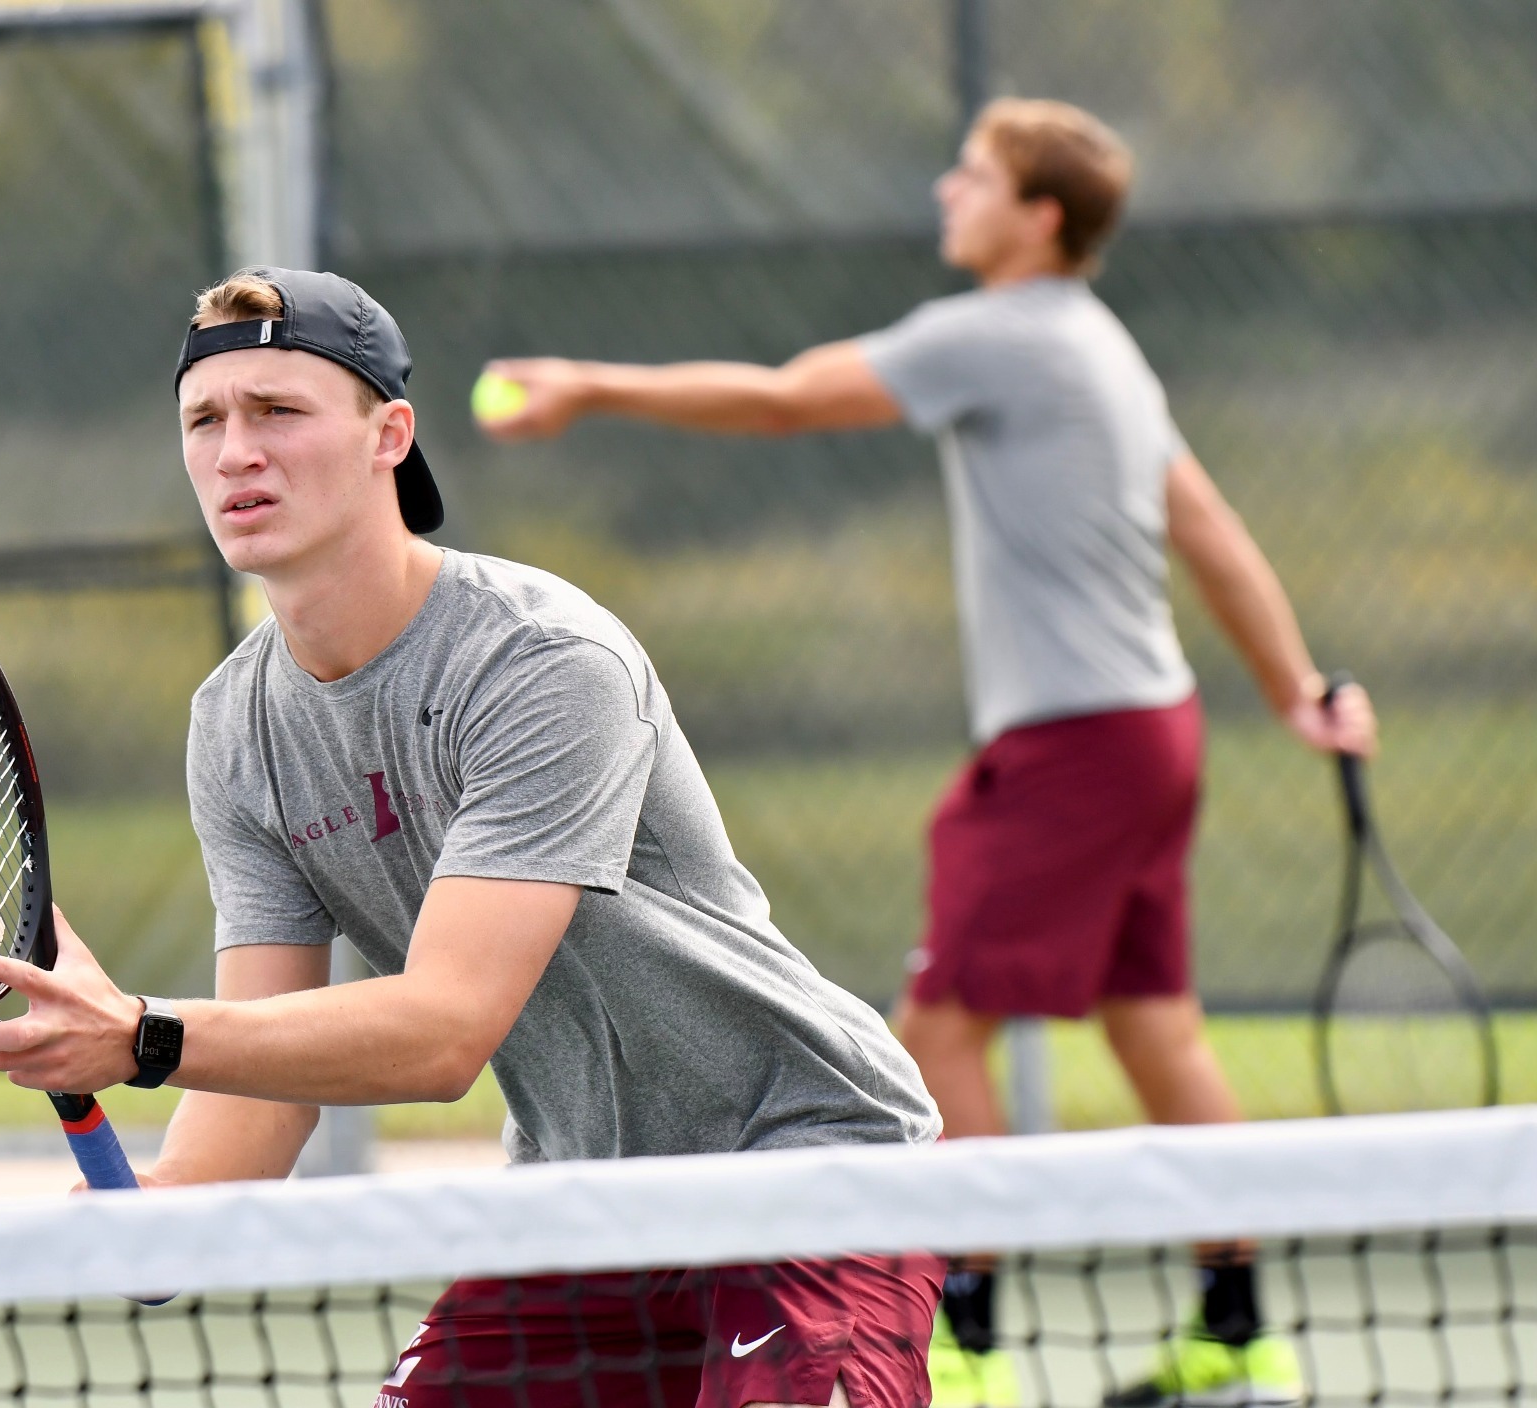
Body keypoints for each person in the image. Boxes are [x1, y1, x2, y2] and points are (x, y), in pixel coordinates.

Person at [472, 98, 1378, 1408]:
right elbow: (1211, 529)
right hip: (1153, 733)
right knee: (1157, 1031)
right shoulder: (1104, 347)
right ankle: (1240, 1336)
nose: (948, 191)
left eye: (975, 175)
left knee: (934, 1035)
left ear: (1040, 217)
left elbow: (785, 400)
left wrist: (589, 385)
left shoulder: (997, 334)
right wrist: (1295, 690)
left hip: (1071, 749)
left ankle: (969, 1338)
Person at [0, 266, 948, 1408]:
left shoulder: (540, 659)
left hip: (805, 1166)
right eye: (204, 421)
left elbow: (443, 1032)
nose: (236, 453)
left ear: (390, 435)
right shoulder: (234, 726)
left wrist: (140, 1035)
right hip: (577, 1205)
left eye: (277, 411)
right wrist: (171, 1203)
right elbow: (266, 1081)